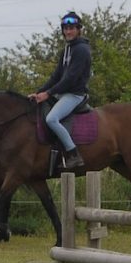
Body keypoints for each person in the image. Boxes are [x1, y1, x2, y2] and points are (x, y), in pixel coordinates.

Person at [28, 11, 92, 170]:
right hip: (63, 93)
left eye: (71, 28)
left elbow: (70, 79)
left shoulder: (82, 50)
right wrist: (39, 92)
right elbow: (56, 76)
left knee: (51, 119)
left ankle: (73, 154)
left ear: (78, 29)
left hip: (75, 95)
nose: (68, 31)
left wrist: (48, 93)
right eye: (65, 28)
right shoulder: (66, 50)